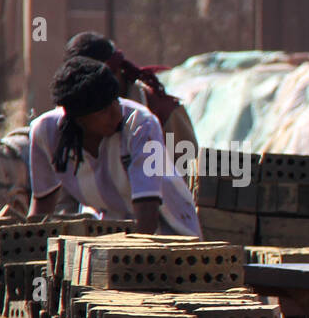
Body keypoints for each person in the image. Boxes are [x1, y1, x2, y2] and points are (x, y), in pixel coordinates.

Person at [27, 57, 202, 236]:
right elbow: (42, 206)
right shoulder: (45, 133)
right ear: (79, 118)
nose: (117, 113)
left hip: (167, 231)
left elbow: (147, 211)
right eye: (104, 111)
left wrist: (129, 259)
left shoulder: (141, 124)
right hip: (107, 231)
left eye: (115, 101)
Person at [64, 32, 198, 176]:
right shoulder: (67, 121)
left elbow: (191, 178)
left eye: (104, 80)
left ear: (118, 72)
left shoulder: (163, 111)